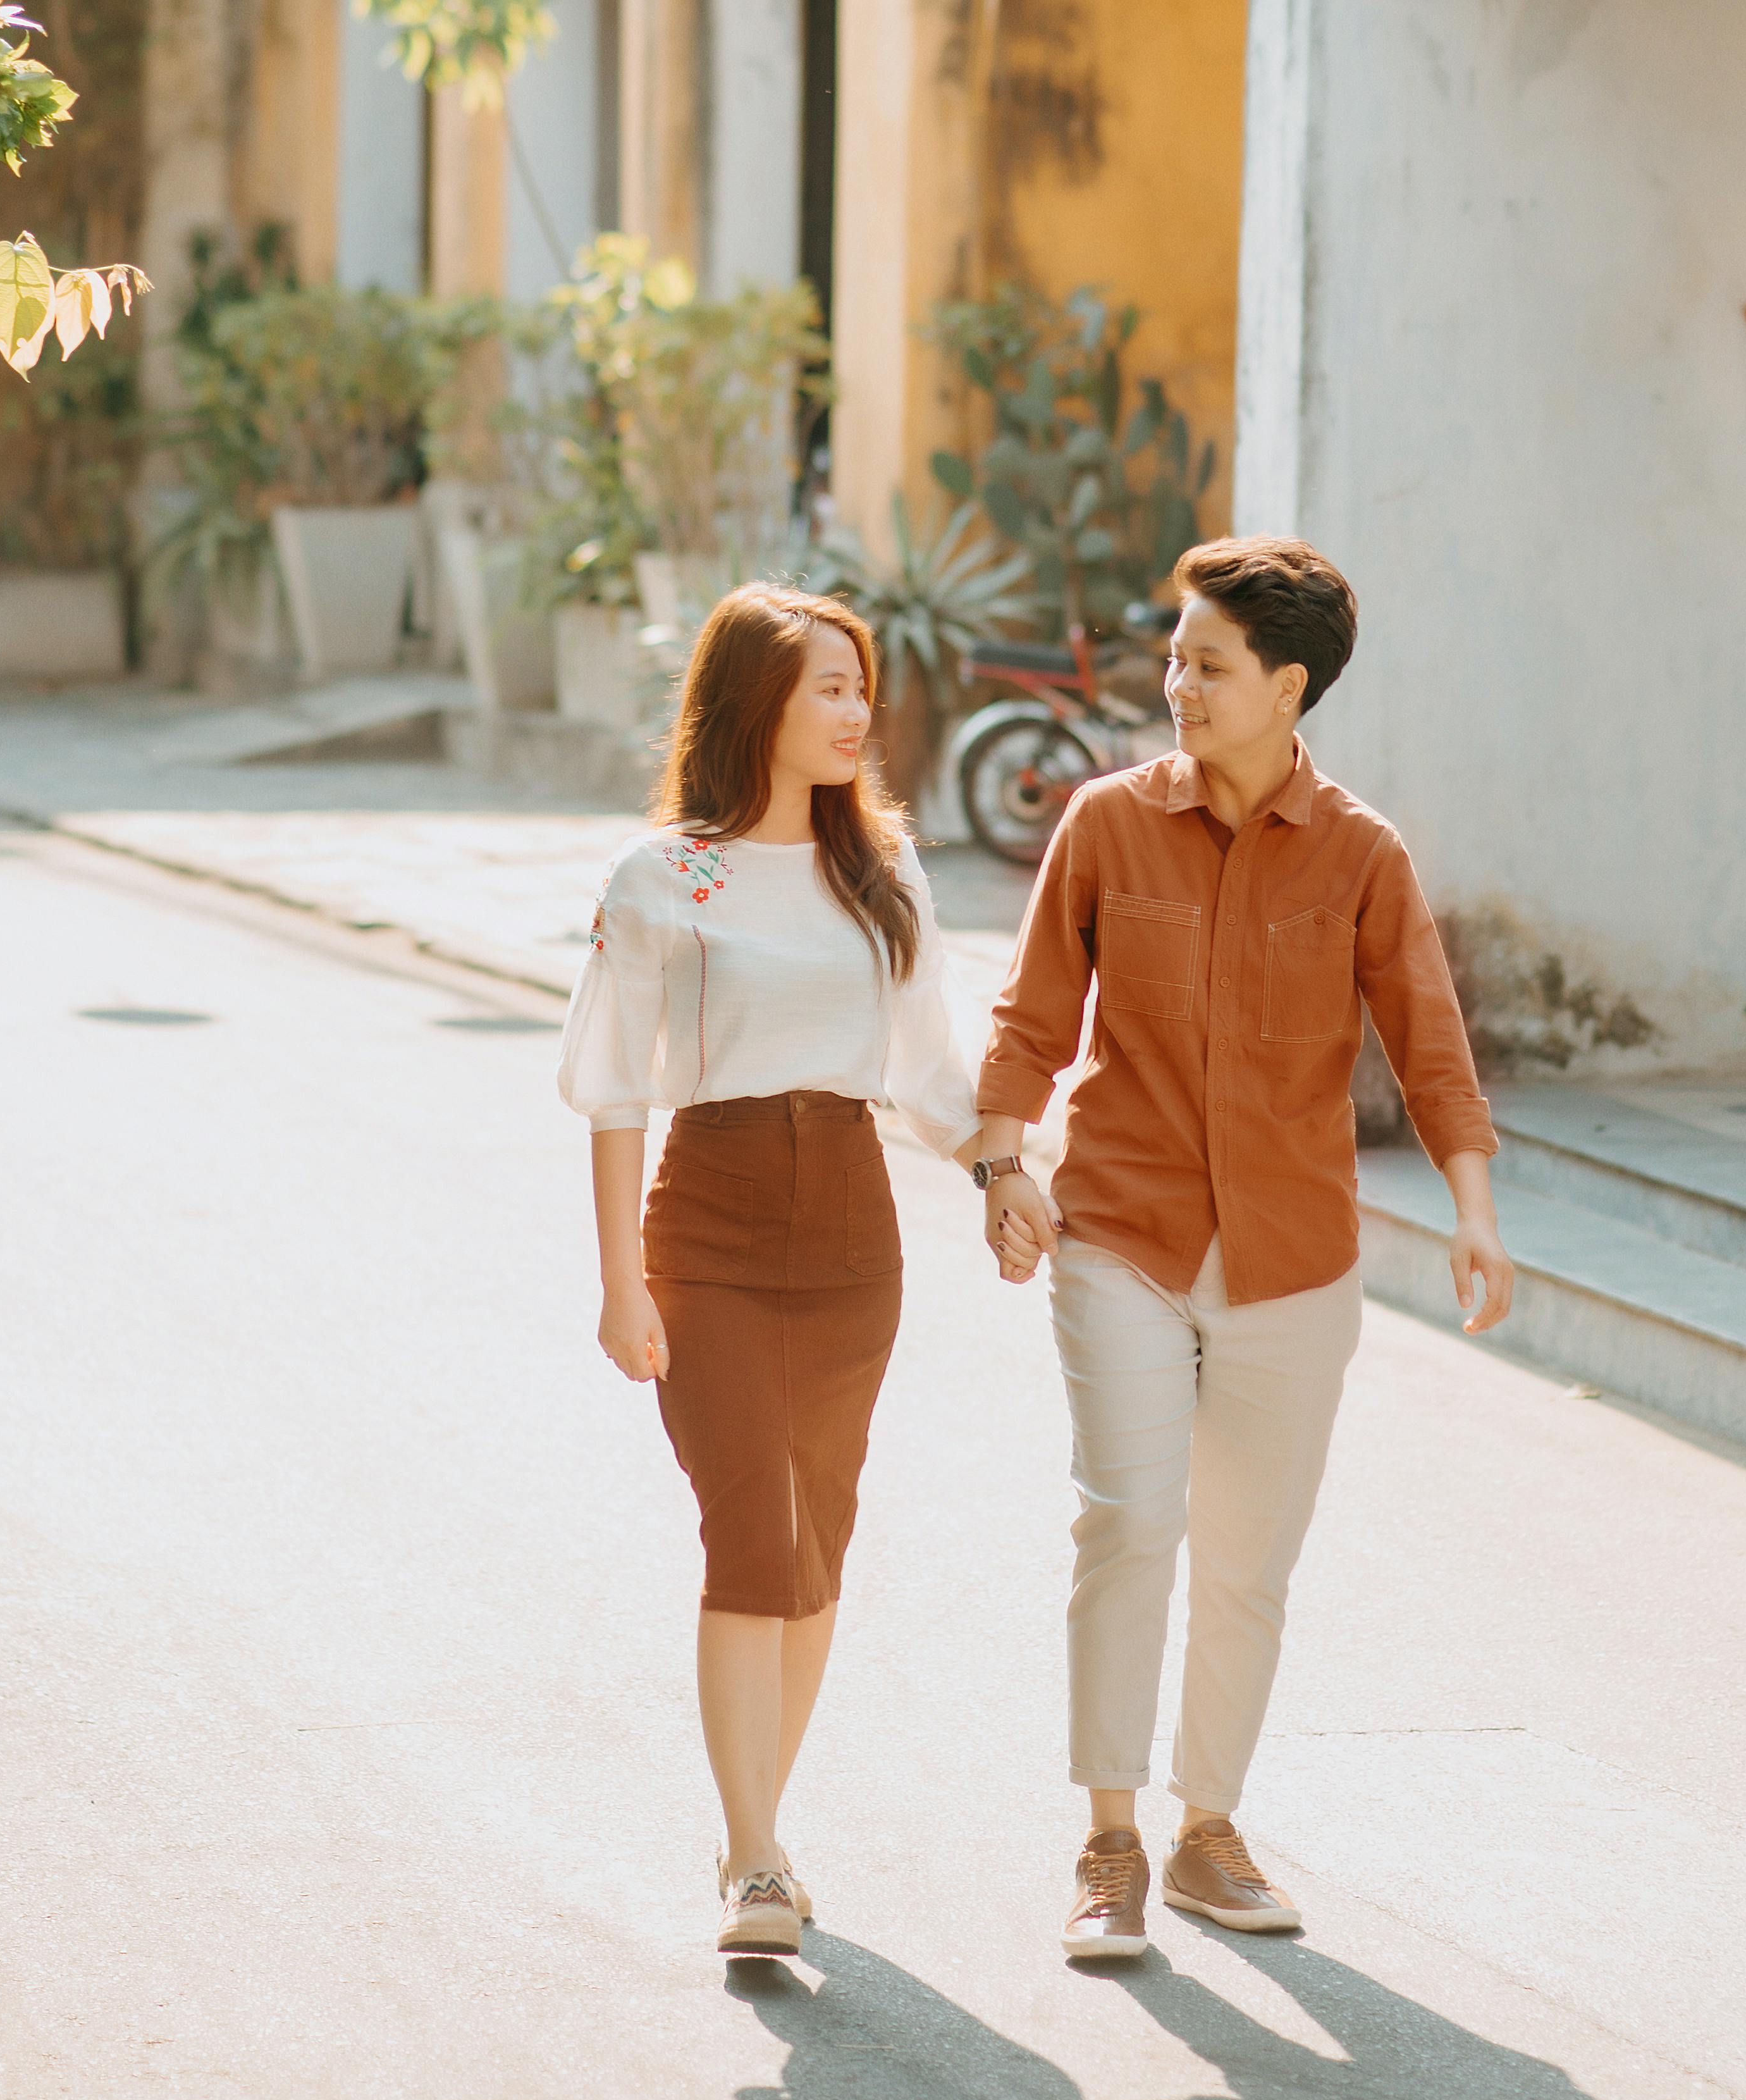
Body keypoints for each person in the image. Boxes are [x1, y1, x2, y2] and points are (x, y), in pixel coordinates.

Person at [971, 533, 1513, 1965]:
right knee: (1130, 1518)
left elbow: (1427, 1034)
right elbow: (1031, 1013)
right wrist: (998, 1153)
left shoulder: (1359, 854)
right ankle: (1108, 1839)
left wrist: (1471, 1201)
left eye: (1206, 665)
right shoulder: (1104, 824)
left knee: (1248, 1561)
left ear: (1286, 687)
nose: (1177, 684)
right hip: (1124, 1229)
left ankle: (1209, 1828)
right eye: (1173, 657)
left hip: (1292, 1255)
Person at [558, 582, 979, 1960]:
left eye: (862, 686)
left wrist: (1005, 1170)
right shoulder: (663, 874)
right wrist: (623, 1281)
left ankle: (761, 1827)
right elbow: (618, 1091)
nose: (858, 711)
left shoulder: (885, 871)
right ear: (755, 703)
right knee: (750, 1534)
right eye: (828, 688)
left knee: (817, 1543)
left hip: (854, 1234)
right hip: (714, 1225)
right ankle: (751, 1858)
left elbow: (929, 1068)